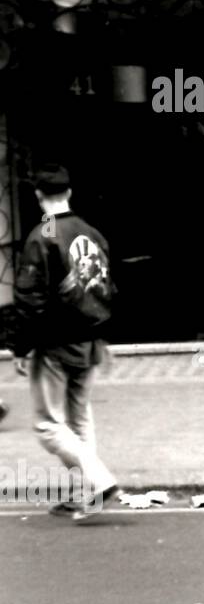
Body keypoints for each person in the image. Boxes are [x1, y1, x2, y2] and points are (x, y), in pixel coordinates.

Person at [13, 165, 120, 520]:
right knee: (79, 419)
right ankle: (82, 494)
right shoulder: (90, 231)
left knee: (48, 426)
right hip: (90, 339)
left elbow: (31, 299)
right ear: (69, 193)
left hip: (56, 341)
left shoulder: (42, 235)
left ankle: (100, 480)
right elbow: (107, 287)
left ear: (39, 196)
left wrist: (21, 346)